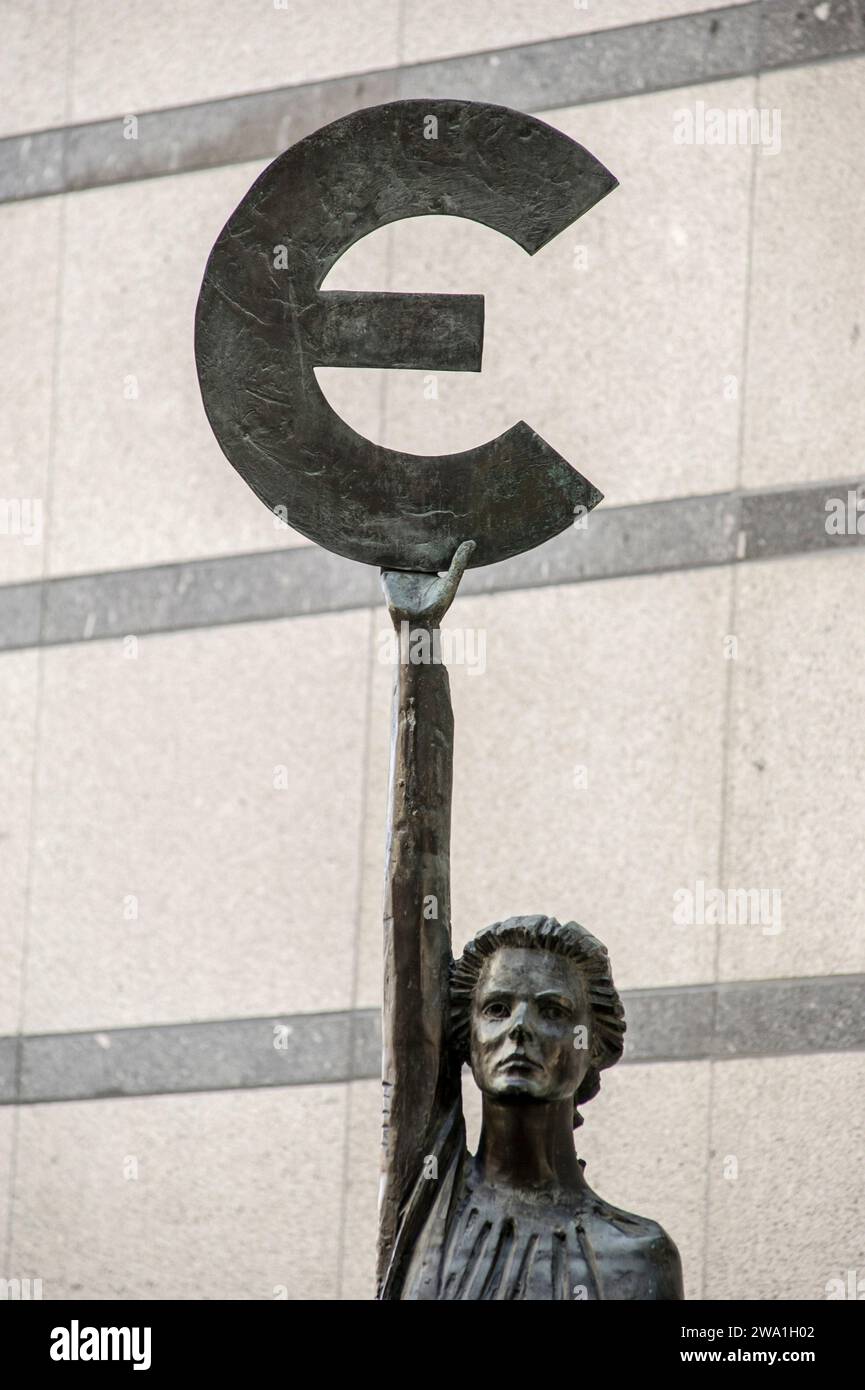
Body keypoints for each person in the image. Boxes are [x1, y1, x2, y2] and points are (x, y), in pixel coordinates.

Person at [377, 544, 683, 1301]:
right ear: (463, 1037)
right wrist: (420, 641)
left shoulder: (637, 1258)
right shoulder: (428, 1186)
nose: (518, 1030)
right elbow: (416, 868)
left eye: (551, 1011)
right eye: (494, 1008)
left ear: (594, 1045)